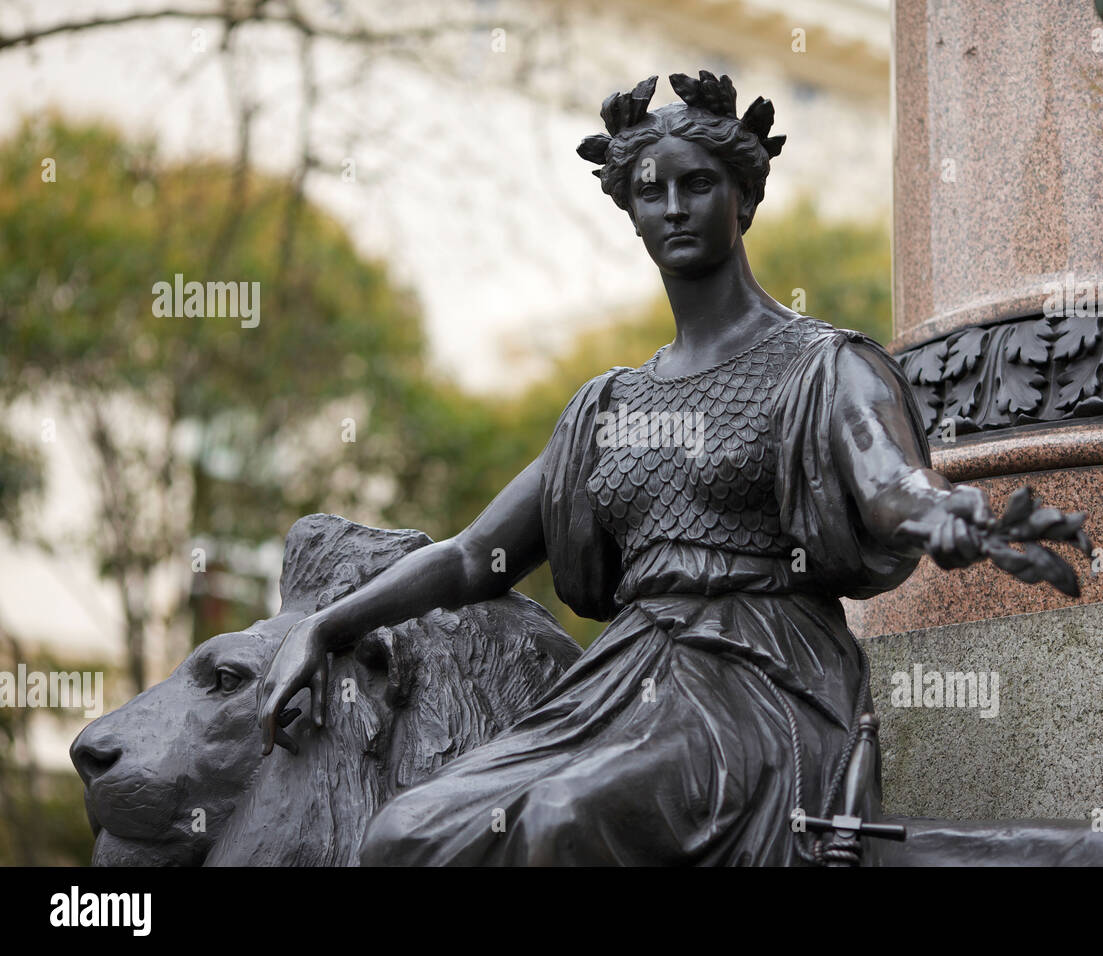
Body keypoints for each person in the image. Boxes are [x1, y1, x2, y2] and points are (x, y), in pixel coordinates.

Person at [256, 71, 1001, 865]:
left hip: (760, 677)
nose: (674, 207)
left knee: (563, 820)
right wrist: (326, 623)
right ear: (632, 214)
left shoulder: (825, 366)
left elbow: (891, 486)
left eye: (699, 185)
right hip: (620, 682)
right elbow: (477, 554)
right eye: (652, 193)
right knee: (405, 834)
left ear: (744, 200)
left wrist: (946, 511)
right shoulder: (608, 407)